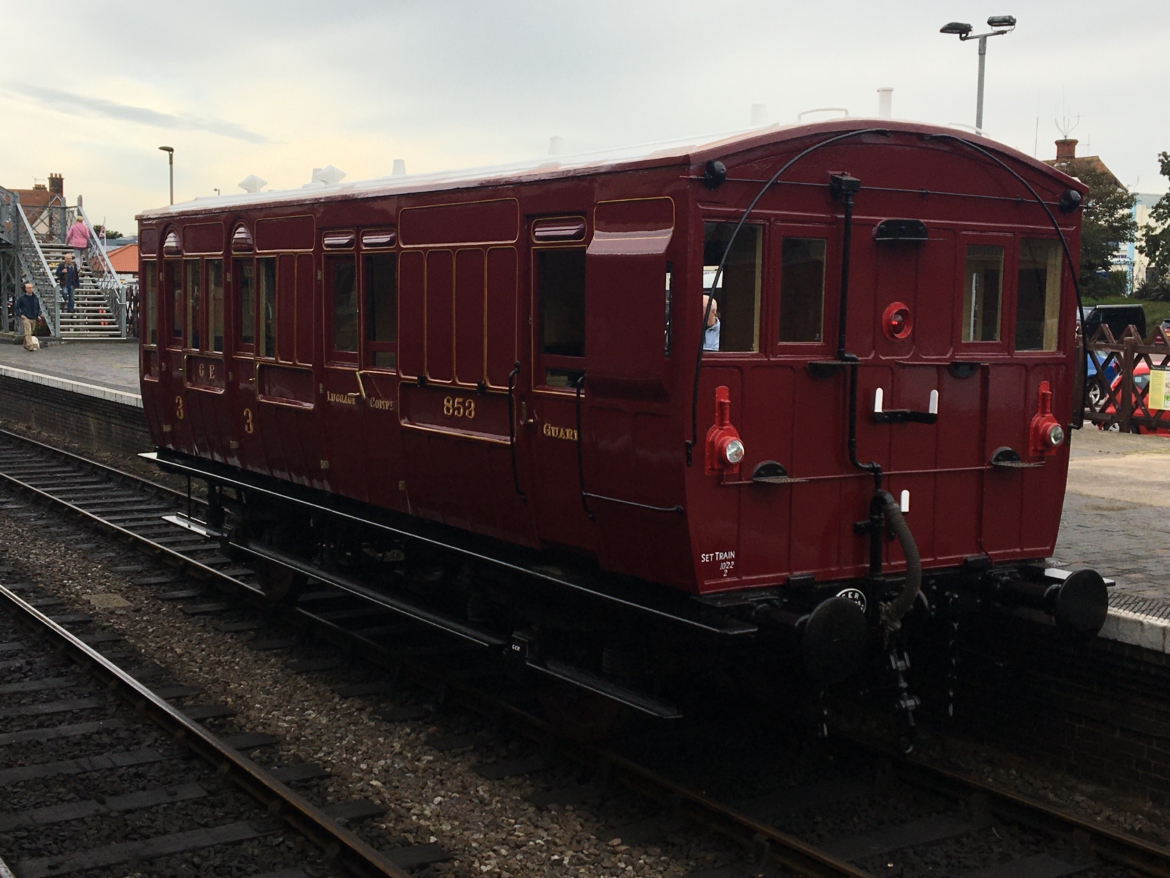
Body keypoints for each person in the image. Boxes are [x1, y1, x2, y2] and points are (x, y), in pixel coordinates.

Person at [15, 283, 41, 351]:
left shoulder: (35, 297)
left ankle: (26, 344)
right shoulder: (22, 298)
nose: (30, 289)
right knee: (28, 332)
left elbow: (38, 307)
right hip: (26, 317)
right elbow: (16, 307)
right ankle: (30, 346)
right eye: (29, 288)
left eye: (31, 287)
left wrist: (38, 314)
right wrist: (20, 315)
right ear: (26, 289)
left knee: (31, 332)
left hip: (34, 317)